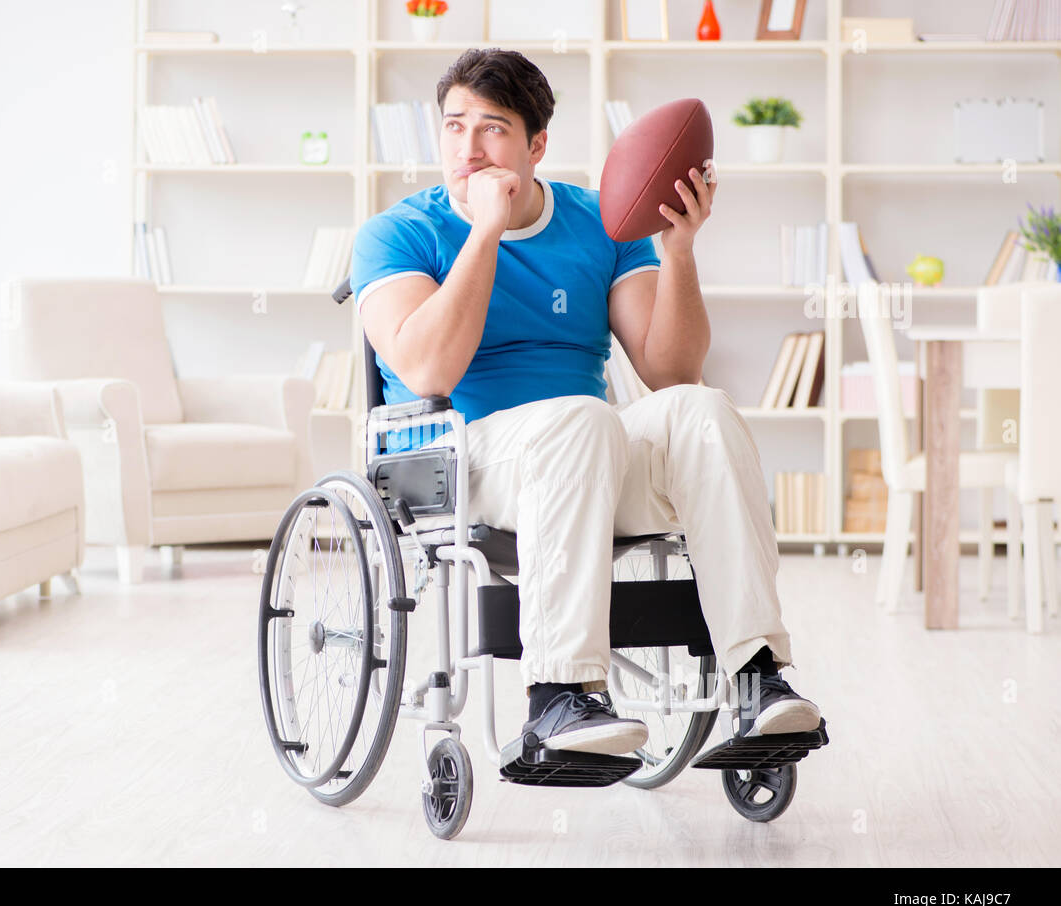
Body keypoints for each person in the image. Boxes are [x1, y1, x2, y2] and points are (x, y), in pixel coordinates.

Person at [350, 48, 823, 755]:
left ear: (537, 145)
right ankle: (558, 696)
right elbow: (426, 370)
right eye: (453, 126)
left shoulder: (597, 222)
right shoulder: (399, 233)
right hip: (462, 463)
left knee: (703, 410)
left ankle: (757, 676)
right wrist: (484, 231)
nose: (468, 149)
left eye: (492, 128)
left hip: (586, 453)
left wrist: (678, 251)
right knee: (582, 419)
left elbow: (672, 370)